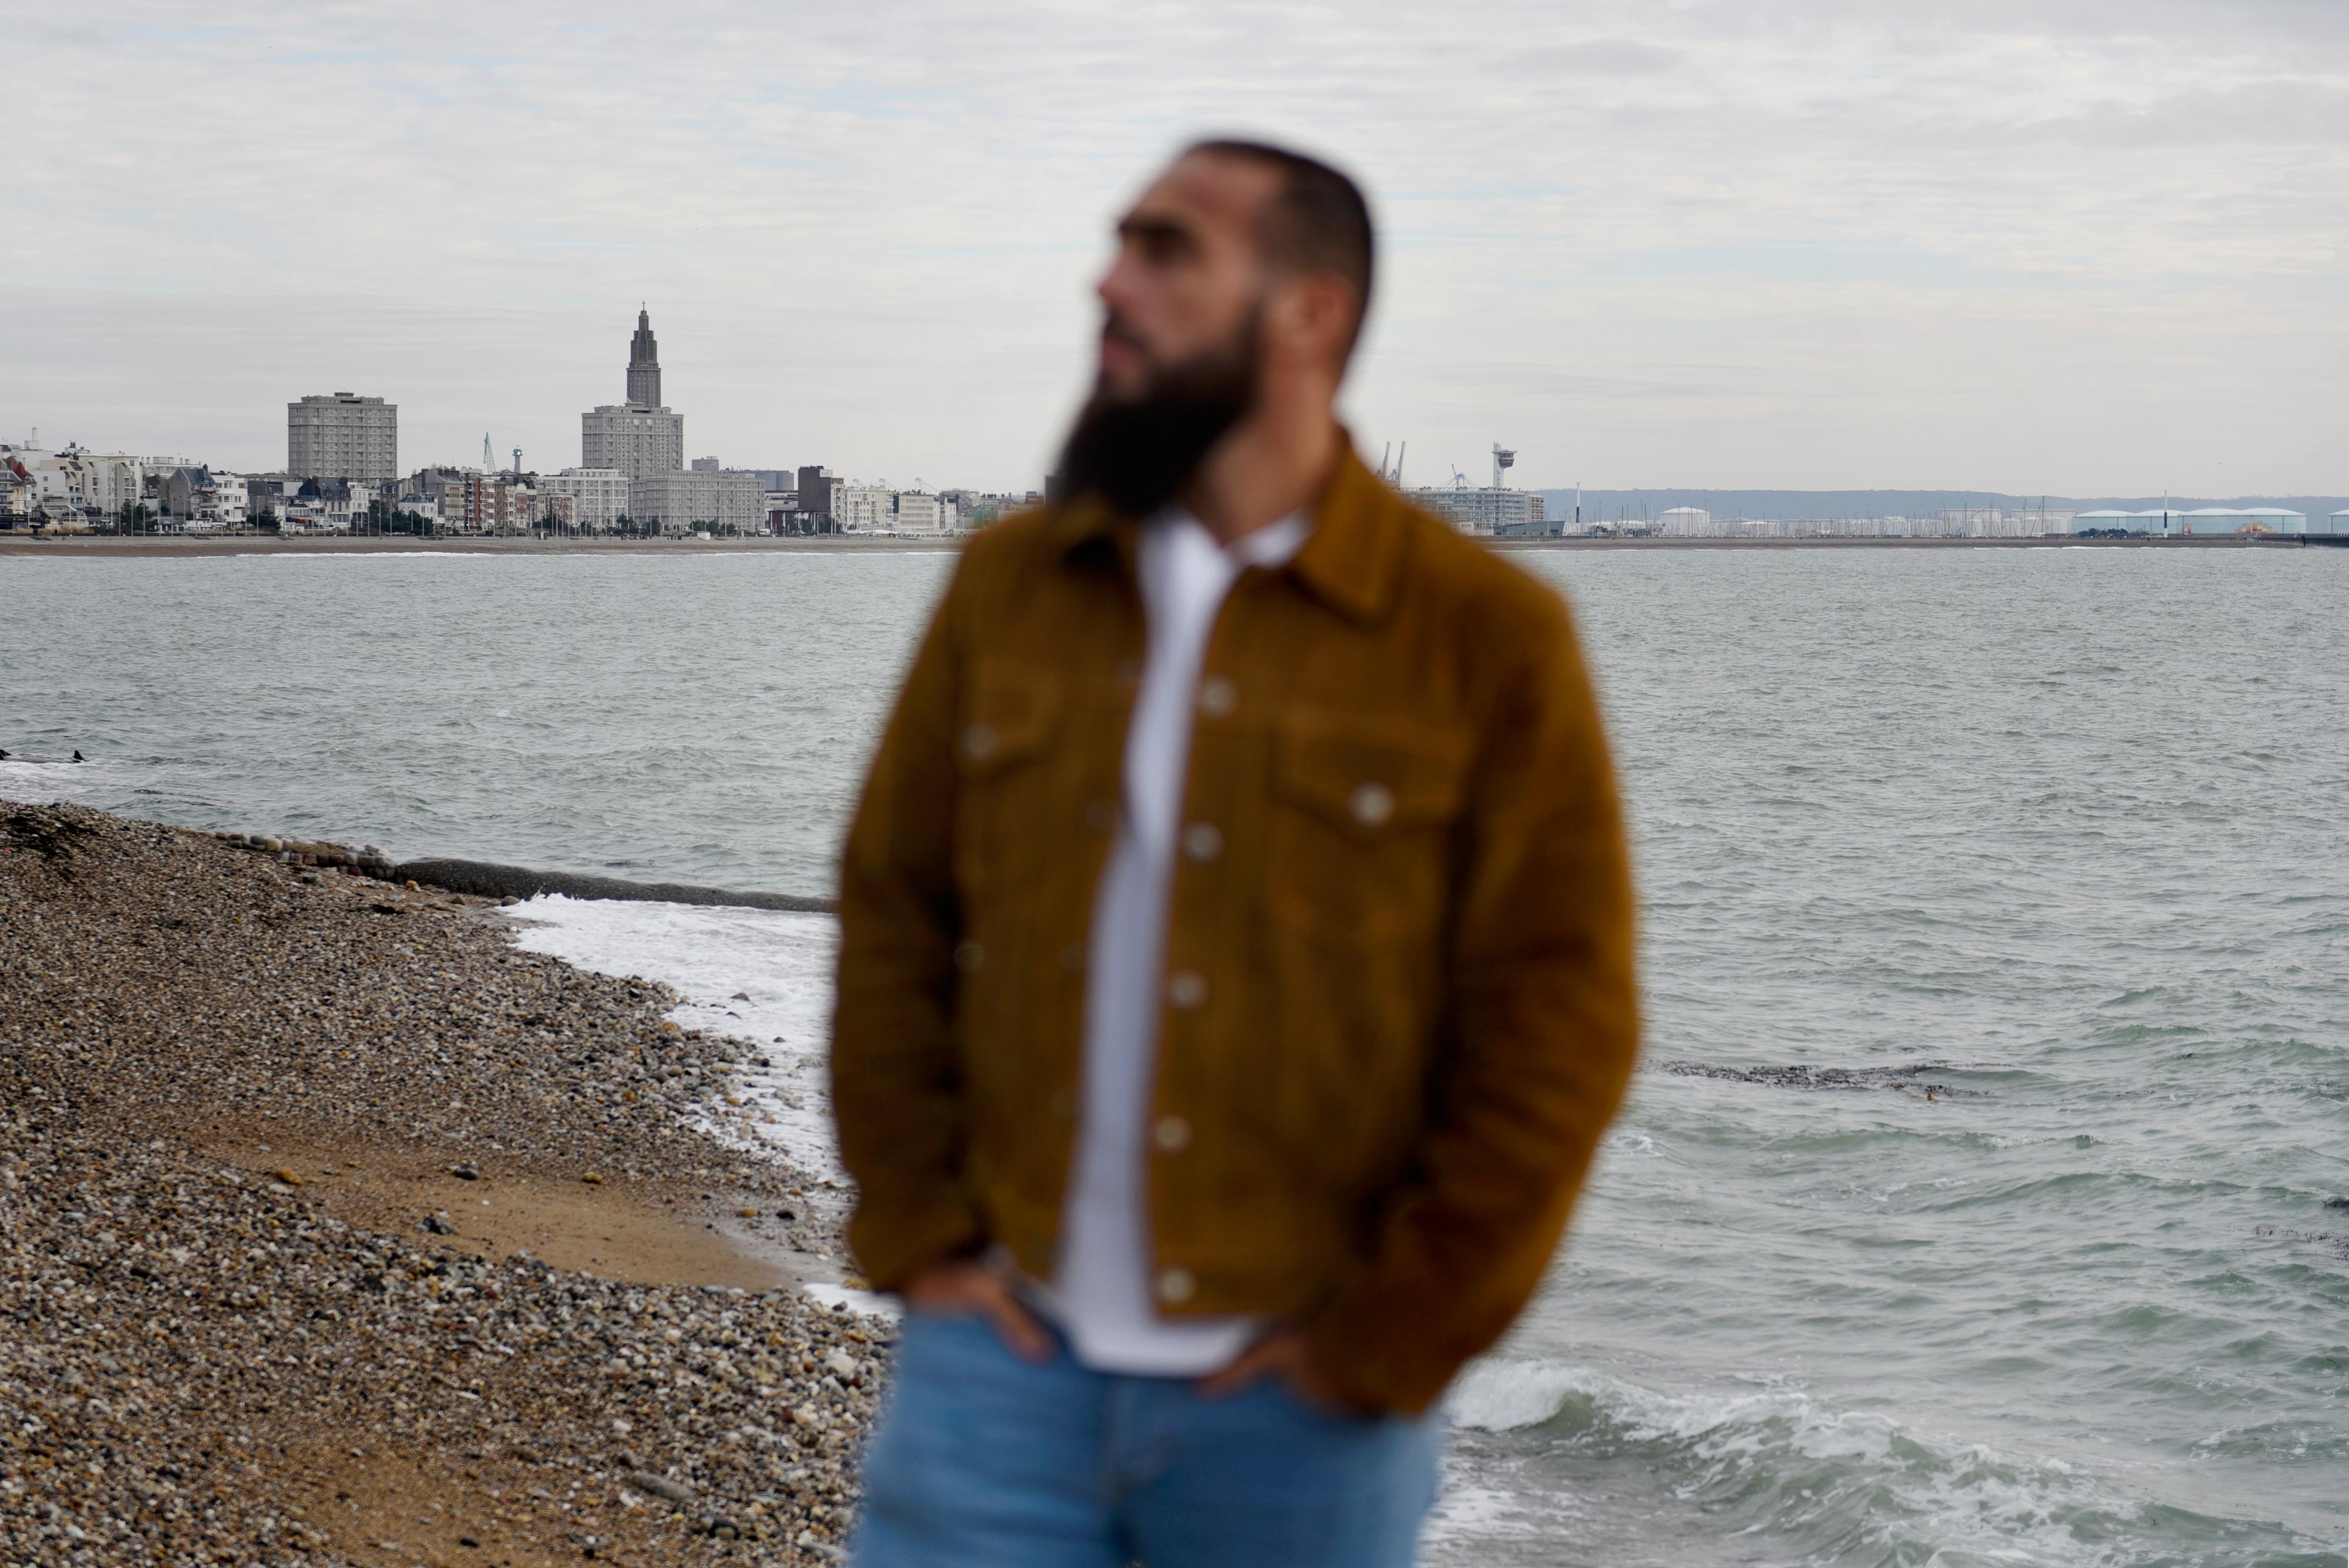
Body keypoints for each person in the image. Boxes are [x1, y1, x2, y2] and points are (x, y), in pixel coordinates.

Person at [830, 137, 1640, 1568]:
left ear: (1306, 313)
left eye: (1164, 250)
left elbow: (1559, 1023)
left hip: (1300, 1412)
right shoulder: (1009, 589)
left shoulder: (1484, 637)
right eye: (1118, 243)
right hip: (996, 1375)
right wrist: (919, 1237)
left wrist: (1386, 1342)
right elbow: (894, 911)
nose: (1107, 281)